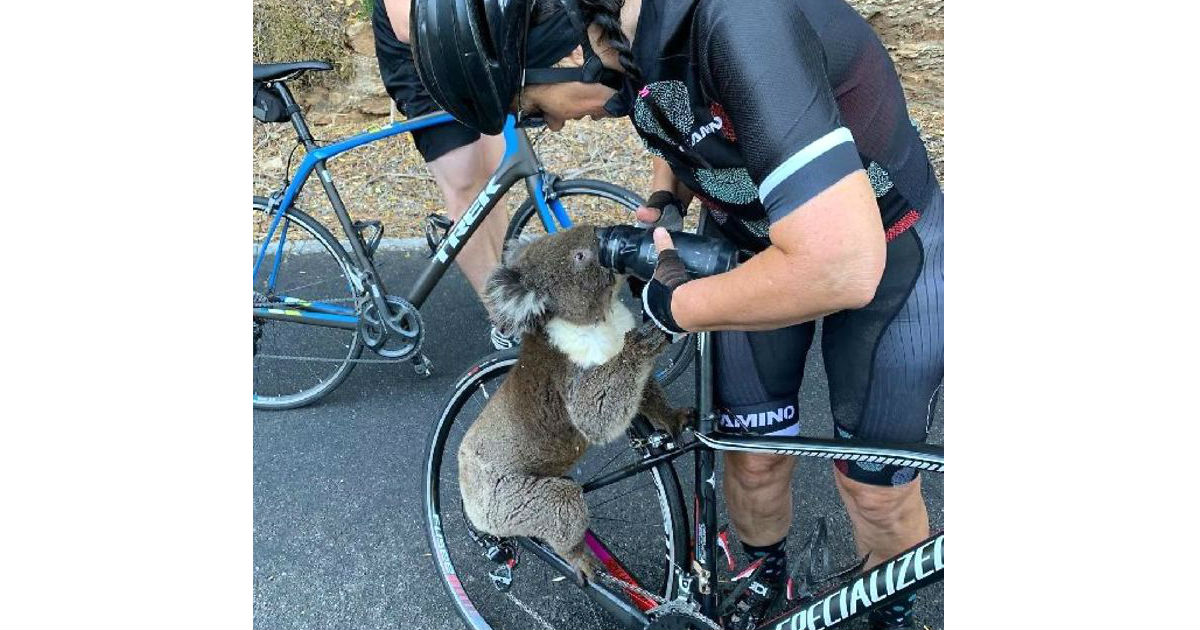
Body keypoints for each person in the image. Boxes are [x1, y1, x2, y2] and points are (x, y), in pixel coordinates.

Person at [412, 0, 943, 628]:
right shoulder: (632, 34)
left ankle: (890, 612)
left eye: (528, 109)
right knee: (752, 456)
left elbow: (842, 265)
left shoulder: (742, 23)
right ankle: (763, 575)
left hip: (888, 253)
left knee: (876, 494)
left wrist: (674, 307)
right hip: (747, 243)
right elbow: (678, 109)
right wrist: (668, 191)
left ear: (563, 46)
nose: (546, 128)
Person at [371, 0, 577, 349]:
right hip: (421, 63)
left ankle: (498, 282)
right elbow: (407, 26)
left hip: (470, 56)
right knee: (465, 182)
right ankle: (504, 318)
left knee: (493, 179)